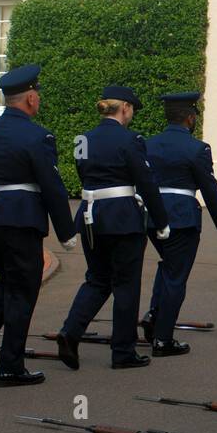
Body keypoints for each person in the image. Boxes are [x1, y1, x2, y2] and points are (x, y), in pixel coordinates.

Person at [0, 64, 79, 386]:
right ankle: (11, 365)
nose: (39, 100)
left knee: (10, 279)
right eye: (37, 94)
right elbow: (51, 186)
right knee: (23, 288)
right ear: (28, 99)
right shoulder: (37, 136)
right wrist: (67, 231)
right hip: (21, 217)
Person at [55, 85, 170, 370]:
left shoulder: (83, 139)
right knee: (126, 285)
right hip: (122, 217)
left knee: (96, 278)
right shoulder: (131, 139)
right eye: (132, 110)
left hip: (91, 216)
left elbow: (84, 173)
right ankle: (122, 351)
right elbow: (145, 181)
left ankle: (70, 332)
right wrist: (161, 220)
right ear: (125, 108)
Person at [142, 92, 217, 356]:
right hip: (181, 218)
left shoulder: (148, 144)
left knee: (167, 267)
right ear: (190, 118)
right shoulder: (197, 148)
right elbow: (209, 188)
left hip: (152, 215)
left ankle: (154, 314)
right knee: (176, 277)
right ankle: (163, 338)